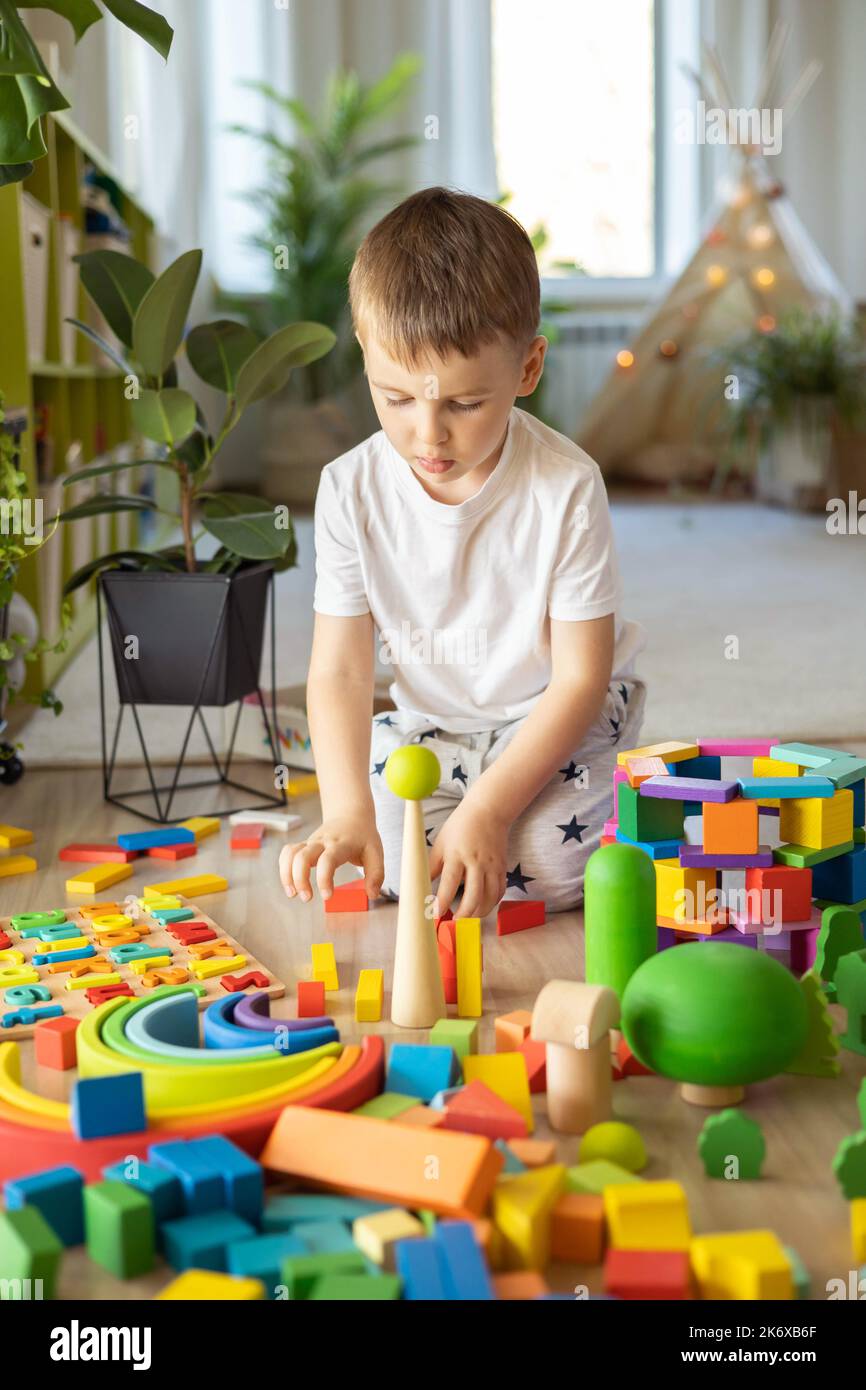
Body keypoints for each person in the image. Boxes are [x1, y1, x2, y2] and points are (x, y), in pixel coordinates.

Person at [279, 187, 646, 919]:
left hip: (552, 721)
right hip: (430, 730)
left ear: (528, 368)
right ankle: (451, 828)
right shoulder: (349, 489)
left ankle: (504, 821)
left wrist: (491, 808)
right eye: (396, 399)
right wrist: (346, 810)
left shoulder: (567, 486)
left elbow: (580, 678)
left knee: (551, 863)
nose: (427, 436)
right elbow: (343, 669)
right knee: (388, 864)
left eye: (464, 404)